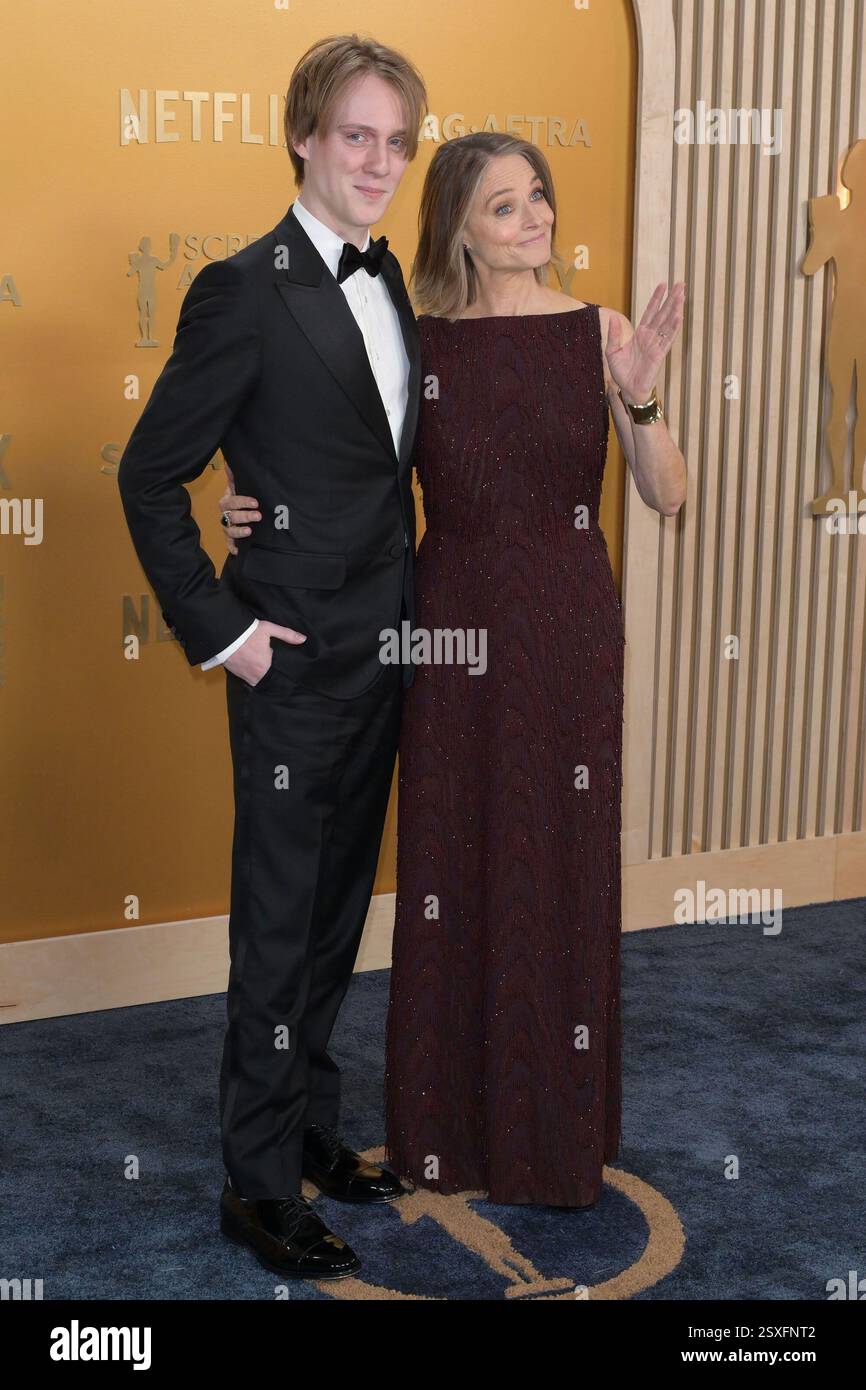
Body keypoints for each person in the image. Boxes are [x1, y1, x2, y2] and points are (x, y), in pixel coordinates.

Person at [220, 129, 687, 1210]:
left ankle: (548, 1131)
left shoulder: (599, 332)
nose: (534, 224)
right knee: (453, 863)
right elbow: (336, 466)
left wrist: (644, 396)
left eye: (538, 199)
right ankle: (445, 1130)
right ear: (460, 233)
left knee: (556, 859)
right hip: (451, 625)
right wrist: (248, 503)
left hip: (569, 626)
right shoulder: (421, 347)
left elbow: (666, 493)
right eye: (503, 209)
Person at [117, 34, 429, 1281]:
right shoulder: (242, 289)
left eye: (398, 141)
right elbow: (150, 476)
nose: (380, 161)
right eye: (356, 134)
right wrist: (225, 629)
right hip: (287, 661)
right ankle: (255, 1186)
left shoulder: (391, 275)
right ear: (303, 134)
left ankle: (309, 1128)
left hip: (387, 649)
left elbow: (363, 457)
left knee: (340, 912)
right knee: (277, 923)